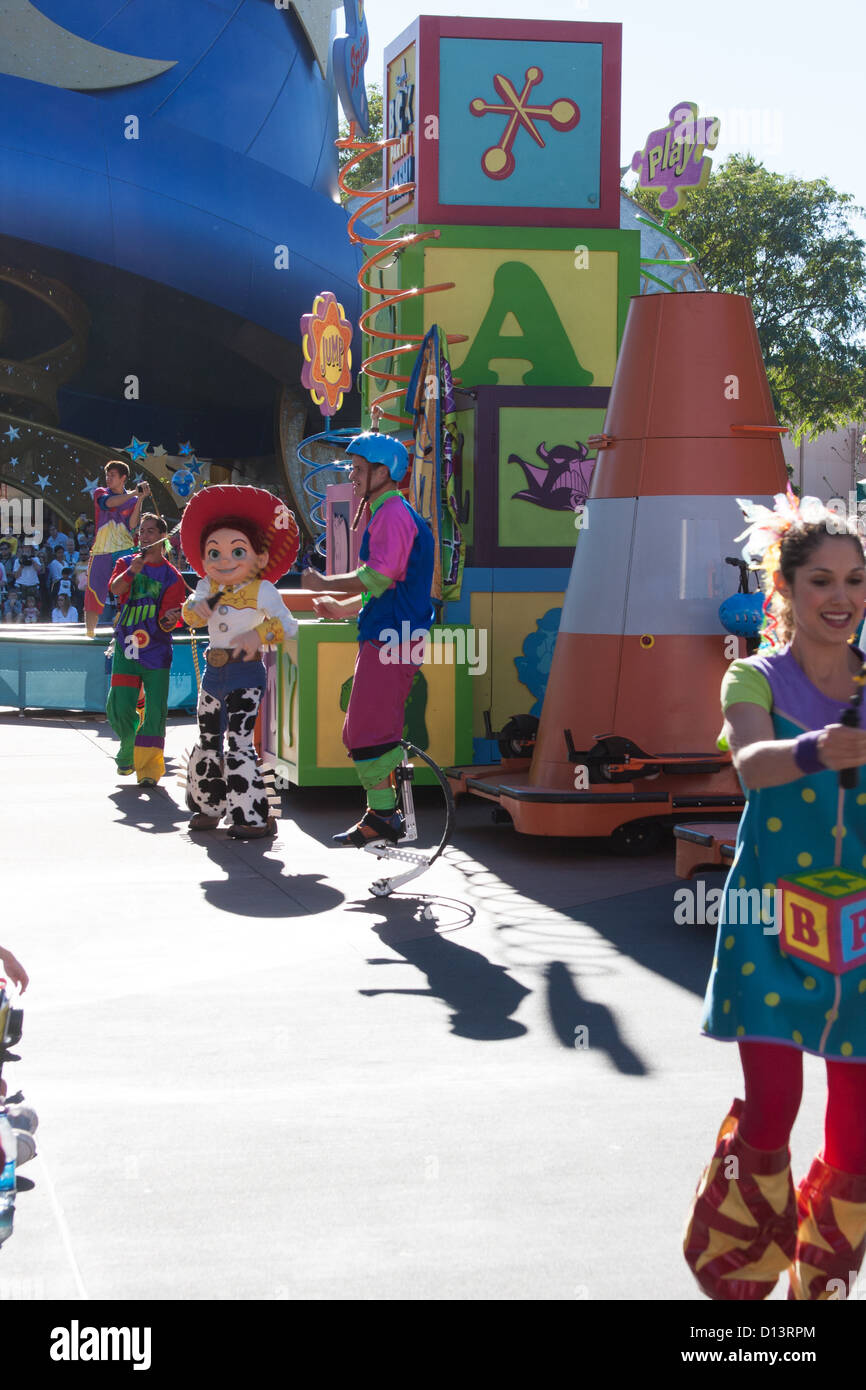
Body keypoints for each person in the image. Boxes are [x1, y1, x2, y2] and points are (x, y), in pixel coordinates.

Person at [684, 491, 866, 1302]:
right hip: (771, 919)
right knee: (773, 1110)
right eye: (822, 581)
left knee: (859, 1133)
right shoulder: (750, 677)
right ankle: (740, 1286)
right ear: (785, 590)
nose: (843, 599)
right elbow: (754, 765)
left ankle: (819, 1287)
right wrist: (819, 749)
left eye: (857, 581)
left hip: (862, 929)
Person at [302, 431, 434, 846]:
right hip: (387, 633)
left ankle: (384, 816)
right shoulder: (385, 512)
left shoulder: (393, 514)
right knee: (363, 729)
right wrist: (343, 608)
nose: (353, 477)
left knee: (365, 731)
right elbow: (387, 587)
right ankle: (384, 812)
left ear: (383, 472)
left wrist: (324, 582)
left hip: (393, 639)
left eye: (359, 470)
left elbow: (380, 575)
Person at [180, 485, 299, 837]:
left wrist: (259, 635)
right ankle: (208, 806)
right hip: (213, 672)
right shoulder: (206, 585)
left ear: (259, 558)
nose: (224, 560)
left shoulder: (263, 590)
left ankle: (253, 815)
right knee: (207, 738)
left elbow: (289, 626)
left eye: (236, 551)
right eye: (213, 552)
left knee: (240, 742)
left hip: (245, 674)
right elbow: (191, 617)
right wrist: (194, 610)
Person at [105, 513, 186, 785]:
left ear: (162, 537)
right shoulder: (125, 563)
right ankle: (129, 745)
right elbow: (116, 589)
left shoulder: (172, 576)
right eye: (142, 531)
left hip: (157, 652)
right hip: (126, 648)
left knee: (155, 712)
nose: (145, 536)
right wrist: (132, 571)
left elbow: (168, 618)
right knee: (119, 705)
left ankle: (149, 771)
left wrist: (171, 619)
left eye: (151, 531)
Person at [84, 461, 149, 637]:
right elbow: (109, 503)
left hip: (126, 549)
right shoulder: (101, 492)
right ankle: (89, 634)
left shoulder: (133, 499)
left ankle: (129, 632)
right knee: (94, 593)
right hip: (101, 550)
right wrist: (136, 493)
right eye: (107, 475)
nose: (108, 478)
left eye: (112, 475)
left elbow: (133, 524)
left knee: (129, 591)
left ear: (123, 478)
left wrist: (140, 499)